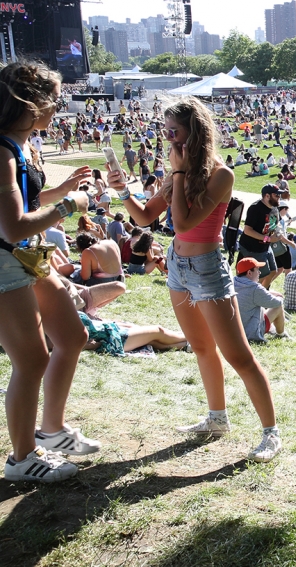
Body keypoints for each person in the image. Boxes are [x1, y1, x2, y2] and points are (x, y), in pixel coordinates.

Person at [109, 98, 281, 463]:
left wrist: (178, 175)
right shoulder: (177, 170)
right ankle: (217, 418)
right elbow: (143, 218)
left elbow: (185, 223)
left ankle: (271, 433)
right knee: (200, 347)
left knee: (239, 355)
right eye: (166, 130)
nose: (168, 138)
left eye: (175, 131)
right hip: (177, 266)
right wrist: (122, 190)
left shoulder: (221, 174)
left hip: (206, 267)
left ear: (195, 132)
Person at [0, 60, 101, 483]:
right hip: (7, 260)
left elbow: (24, 199)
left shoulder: (18, 144)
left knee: (73, 335)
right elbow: (13, 224)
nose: (58, 107)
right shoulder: (1, 150)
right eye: (54, 99)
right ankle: (22, 459)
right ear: (29, 101)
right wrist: (66, 207)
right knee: (31, 359)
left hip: (27, 256)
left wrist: (58, 192)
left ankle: (53, 431)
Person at [236, 184, 281, 289]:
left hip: (265, 246)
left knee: (274, 271)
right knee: (261, 274)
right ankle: (252, 294)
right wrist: (268, 238)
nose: (279, 197)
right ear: (267, 196)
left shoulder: (274, 208)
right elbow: (247, 230)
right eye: (276, 195)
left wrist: (277, 232)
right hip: (252, 248)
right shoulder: (255, 208)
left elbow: (275, 224)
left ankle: (262, 292)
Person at [234, 257, 288, 343]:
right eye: (257, 270)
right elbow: (276, 303)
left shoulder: (232, 282)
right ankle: (280, 334)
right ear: (249, 273)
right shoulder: (255, 288)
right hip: (250, 333)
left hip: (233, 332)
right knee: (278, 307)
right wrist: (279, 297)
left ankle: (272, 329)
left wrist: (268, 293)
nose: (260, 272)